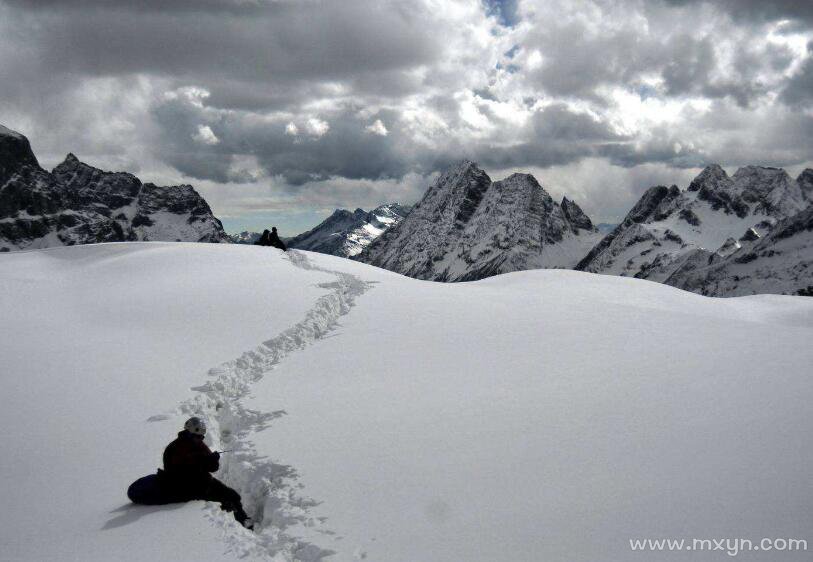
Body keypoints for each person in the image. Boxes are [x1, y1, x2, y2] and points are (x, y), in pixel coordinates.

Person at [159, 417, 252, 529]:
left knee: (232, 496)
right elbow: (184, 471)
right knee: (229, 498)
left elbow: (211, 467)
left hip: (197, 482)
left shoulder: (187, 445)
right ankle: (237, 525)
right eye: (199, 434)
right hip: (191, 487)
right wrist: (207, 461)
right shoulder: (180, 448)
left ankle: (241, 521)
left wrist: (212, 460)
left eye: (202, 435)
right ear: (193, 431)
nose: (201, 437)